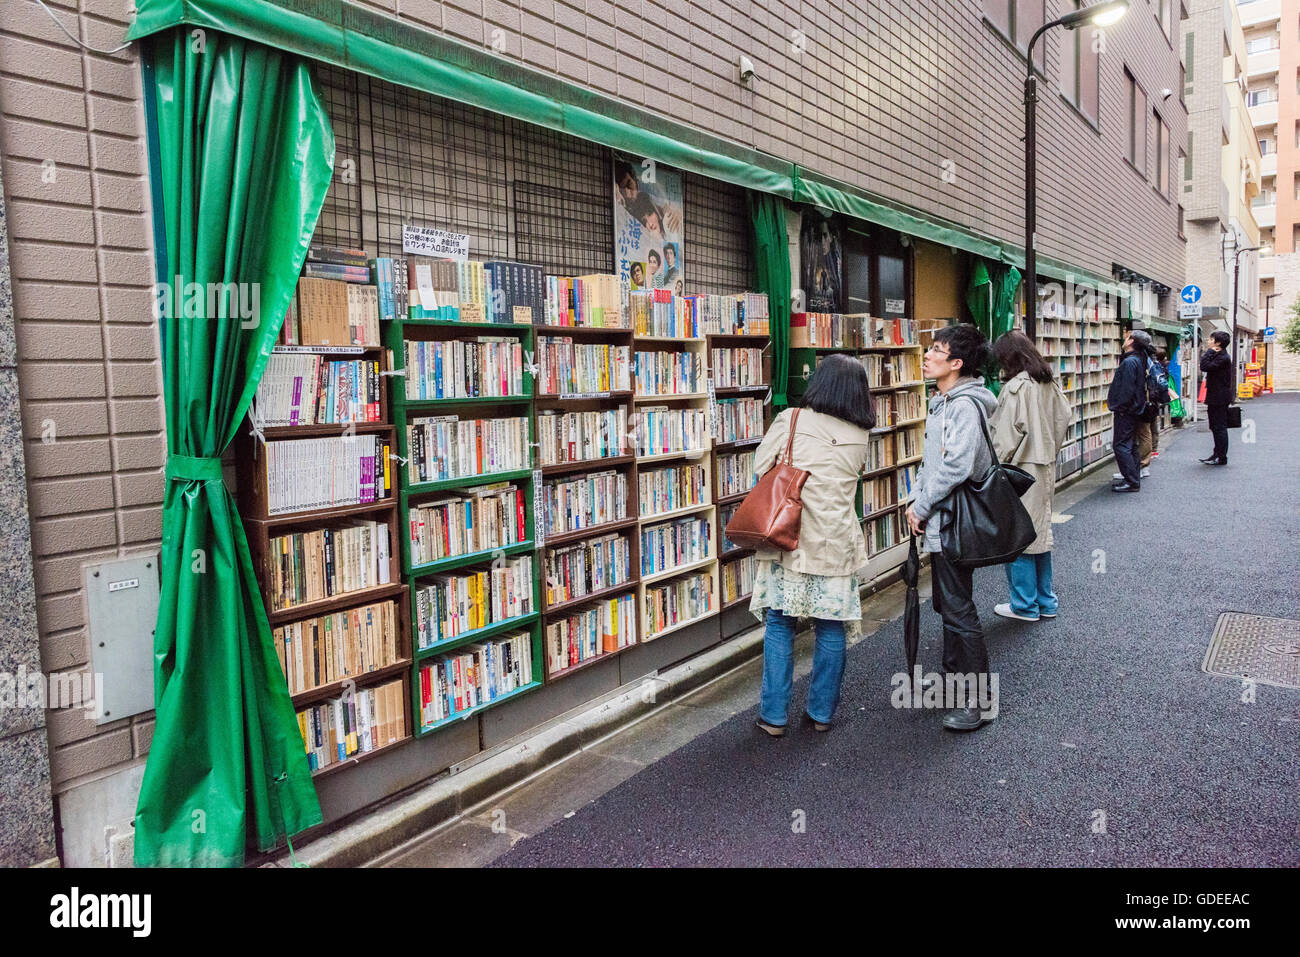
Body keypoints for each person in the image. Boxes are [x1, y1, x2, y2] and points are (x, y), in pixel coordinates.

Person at [750, 354, 875, 737]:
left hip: (792, 537)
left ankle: (773, 717)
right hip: (836, 542)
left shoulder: (792, 419)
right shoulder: (861, 434)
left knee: (780, 623)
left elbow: (760, 467)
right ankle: (821, 713)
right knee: (831, 628)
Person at [904, 324, 998, 732]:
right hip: (942, 518)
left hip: (951, 520)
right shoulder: (945, 400)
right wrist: (919, 504)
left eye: (936, 350)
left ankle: (978, 701)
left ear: (956, 363)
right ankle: (956, 680)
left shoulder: (961, 405)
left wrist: (922, 505)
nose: (927, 355)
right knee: (950, 602)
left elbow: (956, 465)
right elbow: (935, 463)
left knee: (958, 608)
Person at [988, 331, 1073, 622]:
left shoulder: (1016, 387)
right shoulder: (1047, 381)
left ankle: (1024, 604)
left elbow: (1005, 436)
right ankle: (1045, 601)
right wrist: (1049, 448)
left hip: (1020, 468)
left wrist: (992, 468)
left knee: (1018, 534)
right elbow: (1064, 417)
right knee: (1039, 532)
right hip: (1044, 464)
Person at [1106, 329, 1152, 492]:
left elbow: (1126, 388)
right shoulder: (1140, 359)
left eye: (1127, 337)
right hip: (1135, 408)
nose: (1124, 339)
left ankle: (1131, 481)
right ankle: (1133, 477)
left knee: (1121, 445)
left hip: (1127, 410)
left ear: (1132, 341)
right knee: (1130, 444)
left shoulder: (1130, 362)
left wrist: (1120, 407)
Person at [1200, 331, 1234, 465]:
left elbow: (1204, 366)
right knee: (1215, 426)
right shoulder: (1219, 355)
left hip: (1219, 397)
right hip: (1216, 395)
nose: (1209, 341)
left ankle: (1221, 457)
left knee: (1219, 427)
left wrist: (1209, 352)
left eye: (1211, 339)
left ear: (1218, 343)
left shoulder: (1223, 357)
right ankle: (1216, 454)